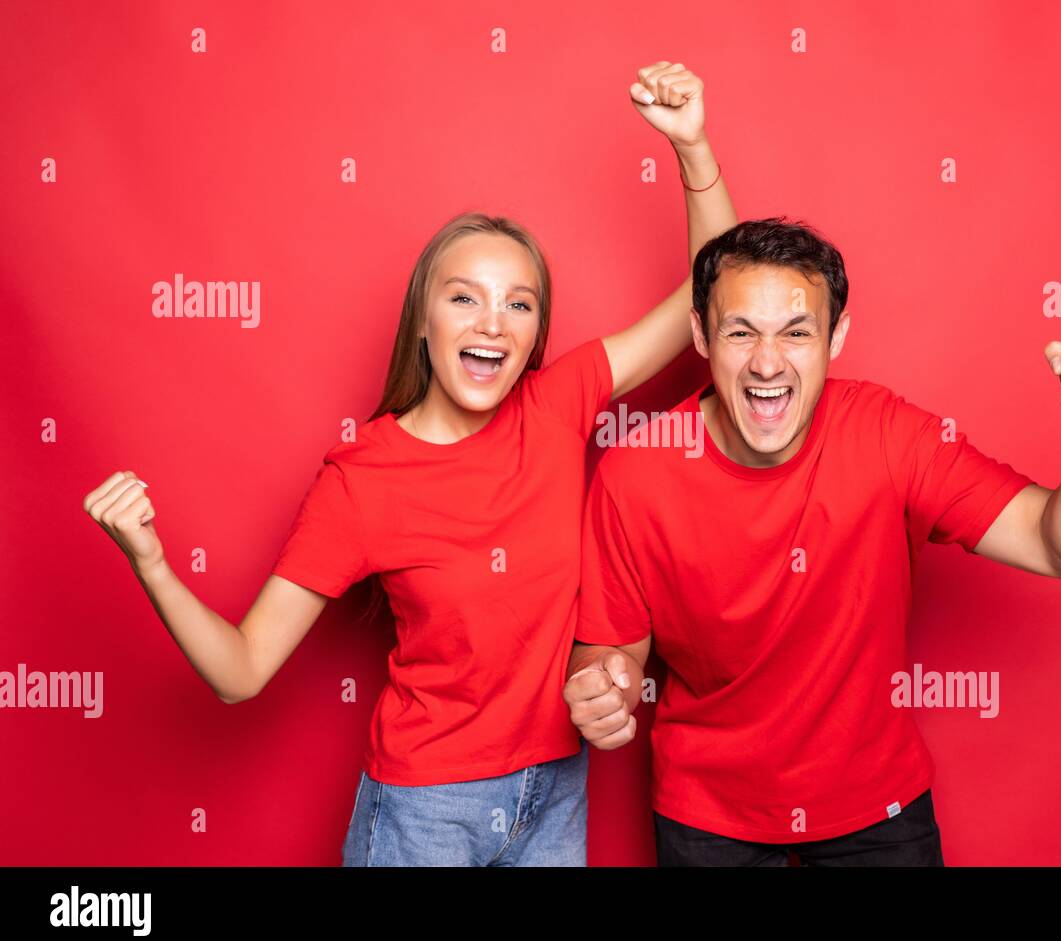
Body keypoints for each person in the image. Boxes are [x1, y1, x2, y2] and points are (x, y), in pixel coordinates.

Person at [80, 61, 737, 867]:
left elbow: (712, 297)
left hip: (557, 789)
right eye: (464, 297)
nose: (493, 321)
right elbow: (240, 673)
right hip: (424, 814)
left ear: (535, 332)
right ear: (423, 321)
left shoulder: (558, 404)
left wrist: (692, 149)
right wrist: (152, 563)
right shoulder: (363, 478)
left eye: (519, 304)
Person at [564, 217, 1061, 866]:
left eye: (797, 332)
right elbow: (611, 650)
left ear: (837, 336)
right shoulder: (635, 472)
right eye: (740, 331)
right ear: (700, 333)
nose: (767, 361)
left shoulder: (890, 436)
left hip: (877, 807)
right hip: (707, 815)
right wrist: (600, 682)